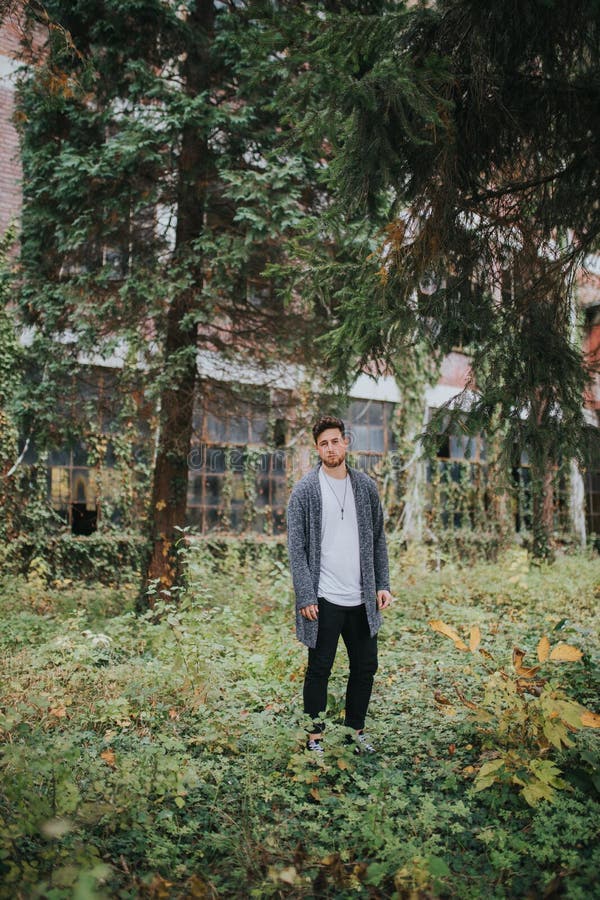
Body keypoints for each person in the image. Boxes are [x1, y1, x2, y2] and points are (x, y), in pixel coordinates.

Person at [287, 414, 393, 753]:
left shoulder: (365, 487)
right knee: (320, 668)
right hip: (324, 597)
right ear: (316, 449)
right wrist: (305, 594)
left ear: (345, 442)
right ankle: (315, 739)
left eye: (335, 441)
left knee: (365, 667)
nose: (330, 448)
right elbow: (297, 547)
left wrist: (382, 583)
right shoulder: (305, 491)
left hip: (361, 598)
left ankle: (355, 732)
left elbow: (378, 539)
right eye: (323, 443)